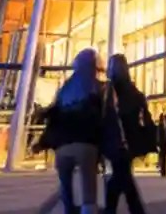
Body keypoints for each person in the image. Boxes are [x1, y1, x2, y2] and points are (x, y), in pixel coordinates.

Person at [44, 48, 106, 214]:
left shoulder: (65, 89)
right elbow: (104, 117)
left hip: (63, 146)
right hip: (86, 143)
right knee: (88, 188)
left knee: (65, 187)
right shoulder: (98, 87)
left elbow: (53, 114)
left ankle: (69, 210)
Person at [102, 54, 149, 214]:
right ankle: (114, 209)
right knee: (122, 176)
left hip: (117, 140)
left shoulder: (111, 92)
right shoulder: (134, 91)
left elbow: (108, 116)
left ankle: (113, 209)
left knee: (121, 178)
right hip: (130, 141)